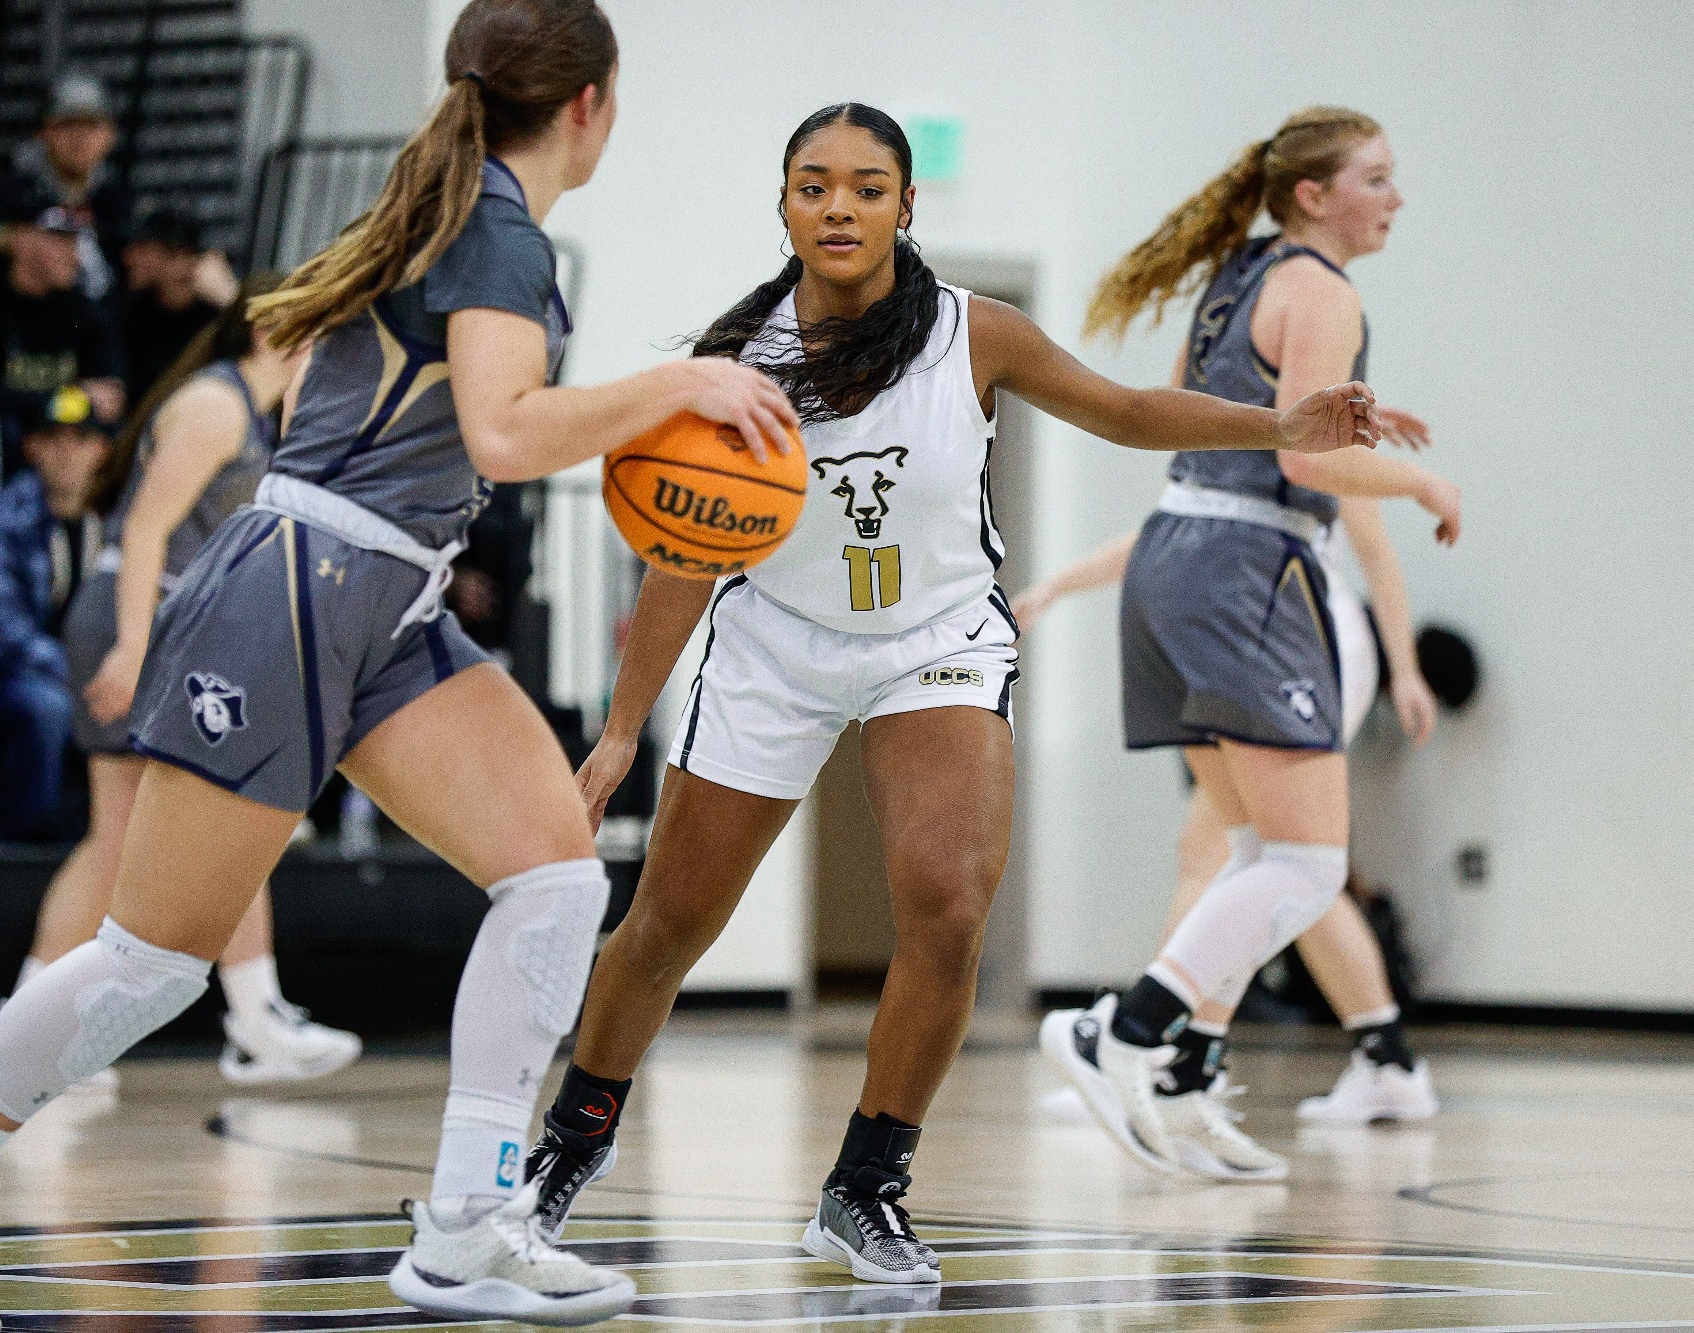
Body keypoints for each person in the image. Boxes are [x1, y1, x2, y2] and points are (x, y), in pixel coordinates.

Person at [0, 2, 801, 1326]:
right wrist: (678, 388)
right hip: (295, 589)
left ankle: (464, 1227)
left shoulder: (470, 218)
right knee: (152, 962)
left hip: (390, 600)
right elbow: (503, 435)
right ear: (590, 104)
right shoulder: (492, 232)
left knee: (558, 874)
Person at [523, 103, 1378, 1283]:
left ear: (904, 206)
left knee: (945, 905)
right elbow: (682, 559)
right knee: (669, 920)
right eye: (813, 185)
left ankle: (864, 1187)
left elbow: (1127, 413)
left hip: (933, 640)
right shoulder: (737, 368)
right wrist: (623, 725)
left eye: (866, 187)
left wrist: (1279, 420)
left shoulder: (977, 335)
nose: (838, 206)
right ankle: (571, 1140)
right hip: (773, 647)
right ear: (782, 205)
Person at [1037, 107, 1462, 1183]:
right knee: (1309, 863)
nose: (1394, 197)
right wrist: (1416, 479)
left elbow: (1203, 420)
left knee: (1233, 849)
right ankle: (1122, 1033)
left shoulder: (1234, 276)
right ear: (1313, 195)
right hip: (1247, 572)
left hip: (1175, 550)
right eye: (1376, 176)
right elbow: (1309, 468)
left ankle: (1180, 1086)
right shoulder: (1321, 290)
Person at [0, 275, 361, 1089]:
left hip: (162, 631)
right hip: (137, 626)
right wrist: (129, 648)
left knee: (124, 837)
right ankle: (254, 1015)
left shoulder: (251, 406)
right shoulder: (215, 406)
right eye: (321, 334)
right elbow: (145, 527)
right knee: (231, 813)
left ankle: (28, 1027)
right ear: (278, 335)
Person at [1017, 501, 1442, 1123]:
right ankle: (1386, 1060)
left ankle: (1161, 1055)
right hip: (1263, 637)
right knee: (1292, 865)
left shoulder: (1314, 411)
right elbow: (1175, 525)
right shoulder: (1224, 432)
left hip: (1305, 644)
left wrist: (1405, 670)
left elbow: (1375, 550)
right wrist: (1059, 584)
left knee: (1233, 857)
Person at [0, 385, 108, 841]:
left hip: (89, 675)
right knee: (48, 705)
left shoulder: (119, 521)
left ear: (102, 450)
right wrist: (85, 672)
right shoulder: (0, 516)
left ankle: (117, 844)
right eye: (54, 440)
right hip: (0, 678)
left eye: (81, 440)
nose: (67, 453)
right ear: (33, 448)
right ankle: (26, 841)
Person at [0, 187, 124, 472]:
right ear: (19, 240)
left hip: (65, 435)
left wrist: (65, 404)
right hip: (4, 444)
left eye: (73, 242)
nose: (73, 255)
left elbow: (109, 394)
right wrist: (68, 400)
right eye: (59, 240)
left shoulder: (83, 309)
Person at [1, 74, 132, 301]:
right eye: (67, 125)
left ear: (110, 135)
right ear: (43, 132)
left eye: (90, 126)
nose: (79, 138)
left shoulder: (117, 202)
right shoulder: (14, 198)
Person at [114, 205, 232, 401]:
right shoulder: (126, 310)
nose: (128, 257)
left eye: (143, 248)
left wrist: (230, 297)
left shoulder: (218, 319)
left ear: (180, 259)